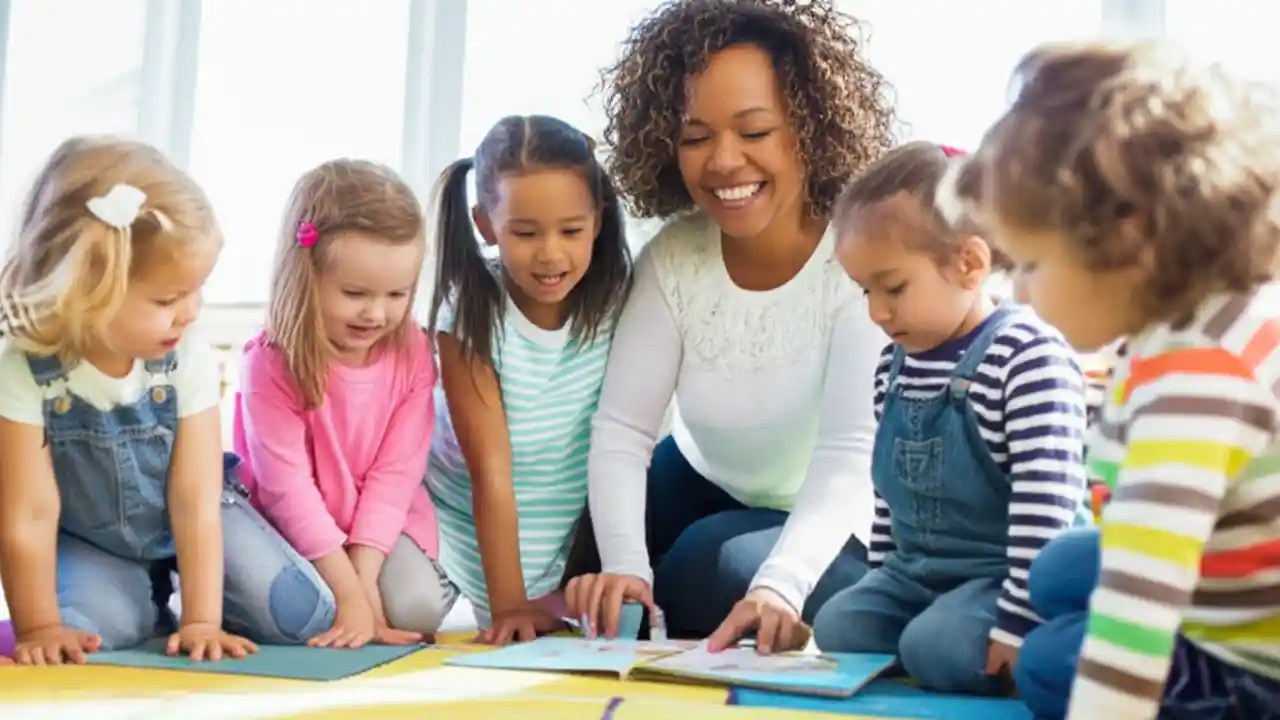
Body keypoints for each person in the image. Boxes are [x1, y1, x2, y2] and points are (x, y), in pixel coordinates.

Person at [956, 41, 1280, 719]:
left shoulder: (1193, 382)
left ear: (1127, 241)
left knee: (1052, 662)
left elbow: (1138, 611)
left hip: (1257, 667)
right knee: (1058, 572)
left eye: (1034, 263)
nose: (1016, 292)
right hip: (1243, 572)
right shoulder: (1220, 308)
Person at [566, 0, 896, 651]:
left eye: (754, 131)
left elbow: (847, 456)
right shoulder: (674, 260)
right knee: (604, 573)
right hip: (697, 482)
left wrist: (780, 585)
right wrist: (625, 566)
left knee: (708, 565)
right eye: (695, 137)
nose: (723, 162)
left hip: (835, 511)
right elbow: (625, 430)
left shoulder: (859, 256)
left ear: (809, 126)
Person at [0, 137, 330, 665]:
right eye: (167, 299)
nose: (190, 313)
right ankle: (145, 600)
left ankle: (186, 598)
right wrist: (37, 626)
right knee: (89, 630)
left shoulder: (183, 356)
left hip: (196, 518)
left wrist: (204, 621)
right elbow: (28, 513)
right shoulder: (25, 369)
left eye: (196, 291)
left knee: (300, 617)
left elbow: (194, 501)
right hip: (94, 539)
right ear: (87, 287)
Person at [810, 141, 1087, 693]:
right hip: (916, 577)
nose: (877, 312)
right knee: (837, 625)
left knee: (932, 647)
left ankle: (1046, 641)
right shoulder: (893, 363)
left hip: (1008, 575)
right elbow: (889, 494)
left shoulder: (1026, 355)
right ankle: (933, 634)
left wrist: (1017, 621)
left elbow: (1046, 505)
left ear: (969, 263)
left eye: (894, 288)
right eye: (866, 291)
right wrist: (880, 577)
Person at [426, 115, 631, 643]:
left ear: (598, 220)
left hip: (567, 540)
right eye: (524, 233)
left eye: (571, 230)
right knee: (413, 611)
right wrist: (508, 605)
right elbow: (490, 474)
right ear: (485, 225)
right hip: (468, 533)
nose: (551, 254)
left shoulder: (616, 302)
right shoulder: (469, 314)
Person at [234, 159, 451, 649]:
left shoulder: (413, 350)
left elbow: (396, 475)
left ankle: (346, 590)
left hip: (377, 524)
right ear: (305, 276)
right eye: (355, 294)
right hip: (291, 527)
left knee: (419, 608)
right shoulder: (270, 360)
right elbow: (287, 489)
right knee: (303, 617)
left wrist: (364, 576)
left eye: (397, 294)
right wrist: (350, 595)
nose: (376, 313)